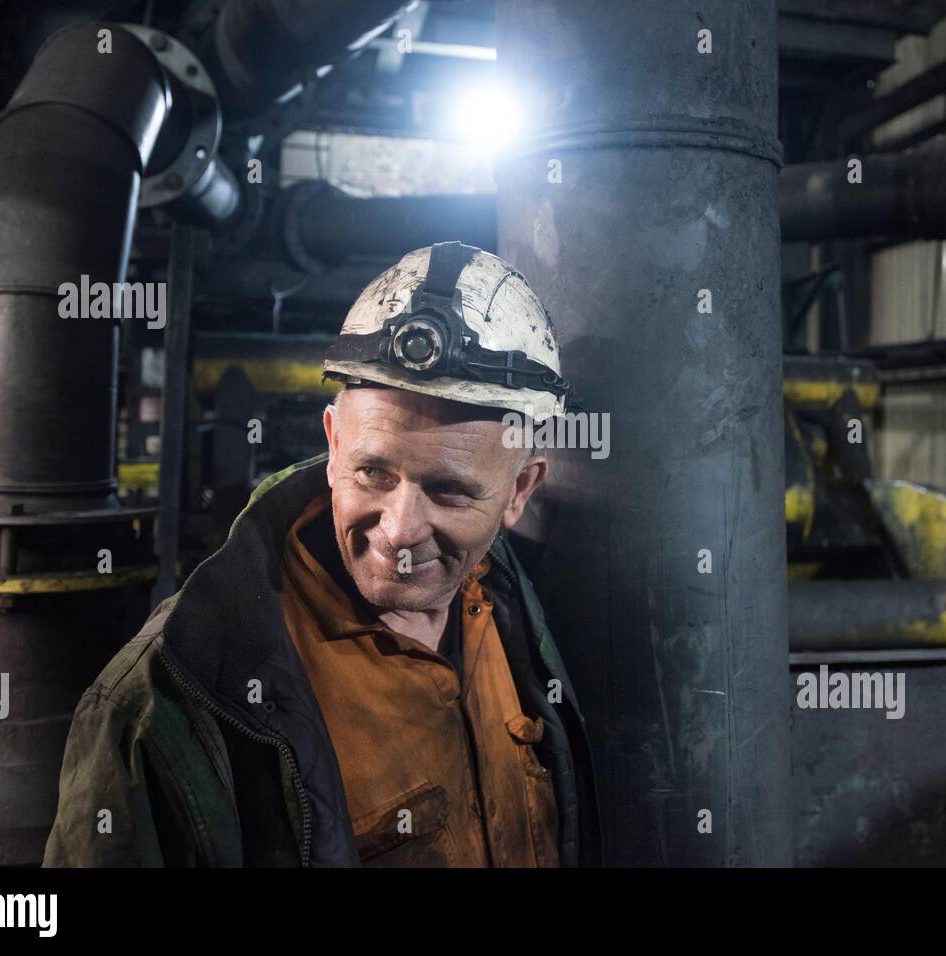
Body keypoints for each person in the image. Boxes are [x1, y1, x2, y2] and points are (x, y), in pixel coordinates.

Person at [42, 242, 601, 867]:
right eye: (372, 474)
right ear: (334, 444)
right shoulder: (165, 704)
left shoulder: (511, 609)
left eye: (448, 492)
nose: (399, 531)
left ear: (520, 490)